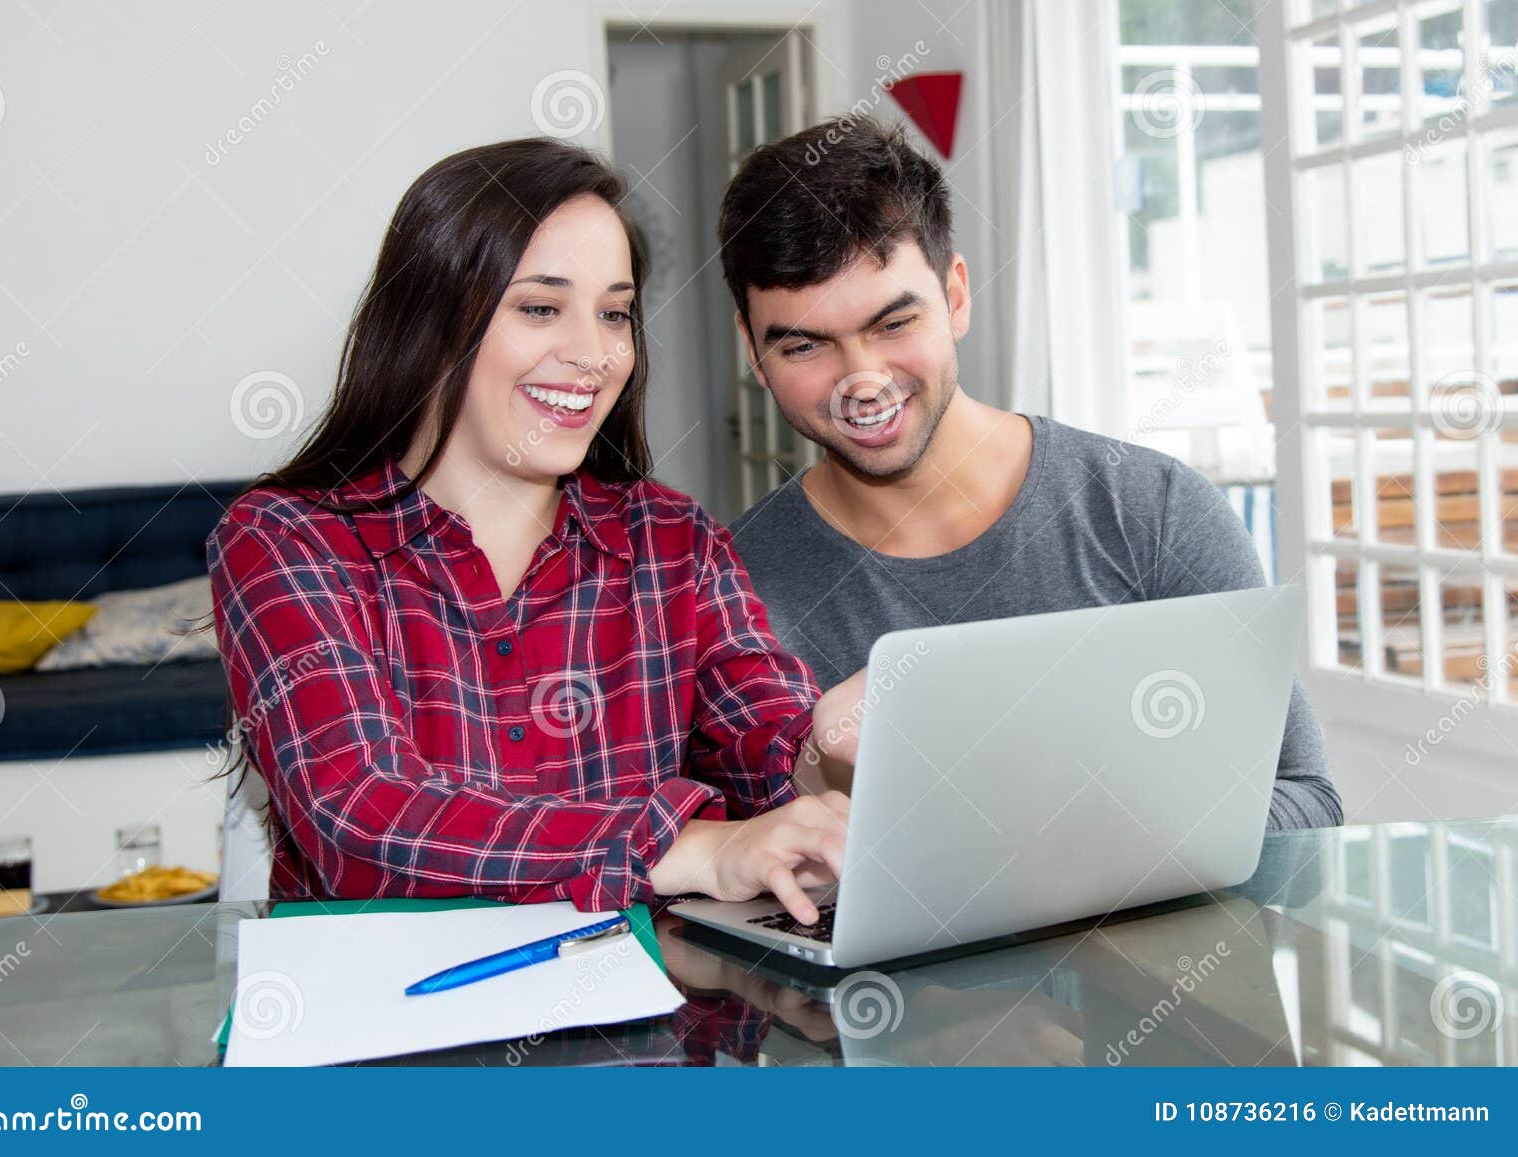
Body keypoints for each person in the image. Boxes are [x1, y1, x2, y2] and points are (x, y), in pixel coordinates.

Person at [208, 138, 861, 924]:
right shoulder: (285, 539)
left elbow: (763, 737)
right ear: (432, 320)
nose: (594, 355)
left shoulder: (672, 539)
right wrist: (687, 848)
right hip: (388, 1033)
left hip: (633, 1026)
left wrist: (823, 753)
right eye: (540, 307)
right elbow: (360, 818)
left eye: (614, 313)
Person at [719, 116, 1342, 831]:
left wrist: (1080, 830)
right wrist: (815, 773)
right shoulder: (730, 587)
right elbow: (712, 860)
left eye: (893, 325)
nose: (861, 380)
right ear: (753, 351)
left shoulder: (1150, 512)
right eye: (805, 346)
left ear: (955, 297)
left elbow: (1306, 801)